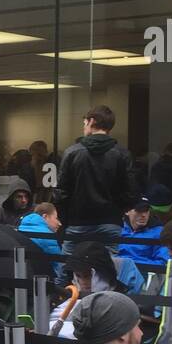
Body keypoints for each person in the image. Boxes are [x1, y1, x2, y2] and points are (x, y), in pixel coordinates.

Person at [56, 105, 136, 253]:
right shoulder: (122, 154)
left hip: (78, 222)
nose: (84, 127)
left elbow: (61, 192)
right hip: (110, 221)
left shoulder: (72, 152)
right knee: (107, 269)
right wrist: (118, 211)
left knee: (68, 268)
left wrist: (66, 218)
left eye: (84, 123)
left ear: (91, 121)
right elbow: (130, 192)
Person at [119, 193, 171, 269]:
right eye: (139, 210)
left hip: (144, 275)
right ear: (127, 211)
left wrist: (130, 264)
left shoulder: (159, 232)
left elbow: (163, 263)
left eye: (146, 211)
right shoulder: (118, 230)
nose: (143, 215)